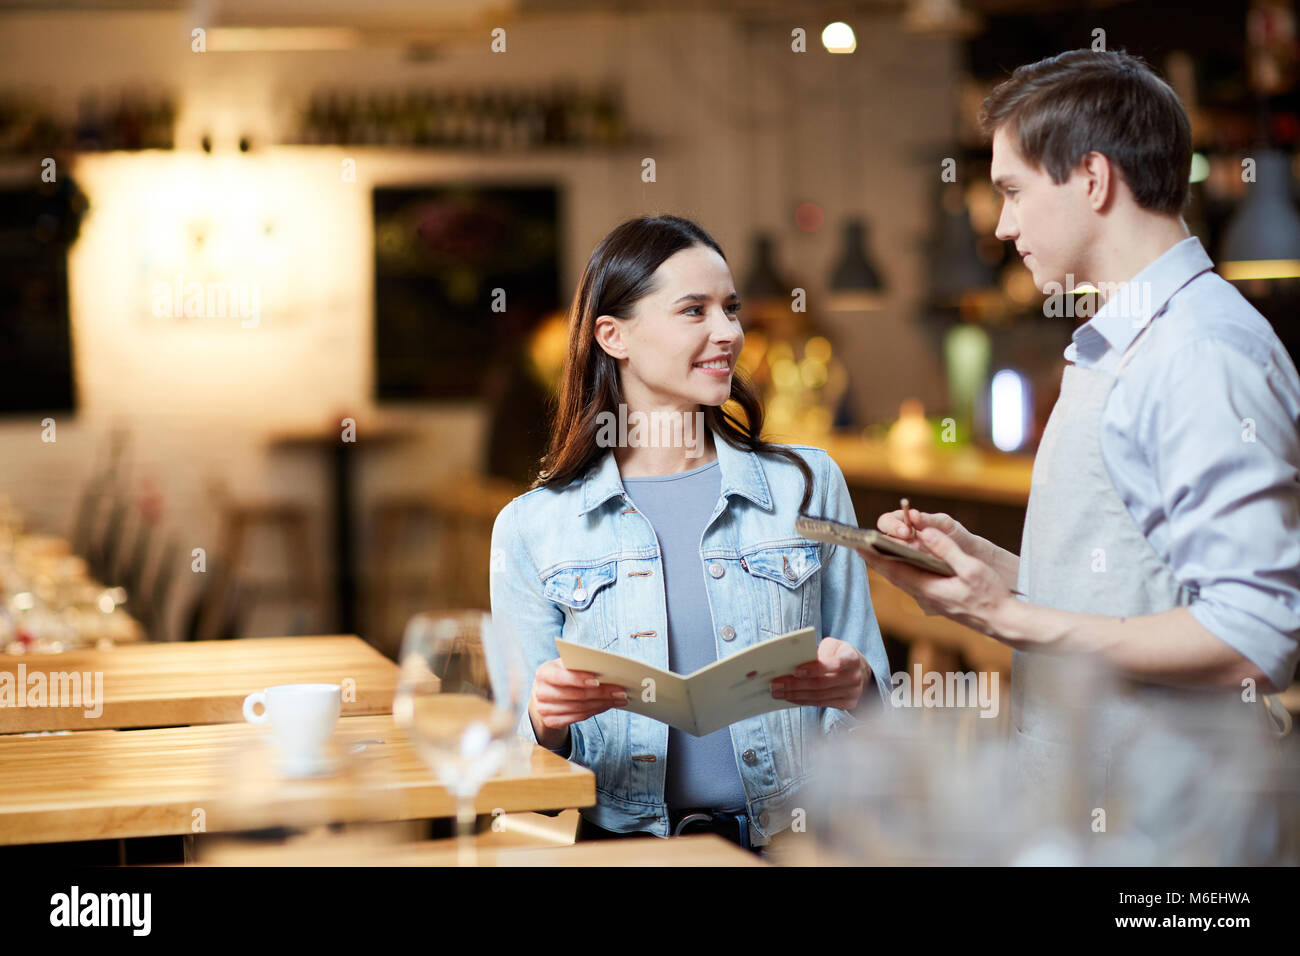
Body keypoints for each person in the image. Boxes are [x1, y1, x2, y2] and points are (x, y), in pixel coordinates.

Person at [860, 50, 1300, 816]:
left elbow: (1254, 637)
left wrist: (1005, 617)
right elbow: (1130, 587)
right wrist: (989, 573)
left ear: (1092, 180)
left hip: (1172, 832)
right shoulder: (1118, 343)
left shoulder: (1200, 353)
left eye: (1013, 191)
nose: (1001, 225)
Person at [490, 214, 892, 853]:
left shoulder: (808, 485)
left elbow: (874, 709)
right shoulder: (532, 527)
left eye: (730, 309)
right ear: (614, 336)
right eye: (694, 311)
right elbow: (514, 763)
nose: (729, 332)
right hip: (623, 850)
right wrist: (545, 722)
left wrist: (862, 691)